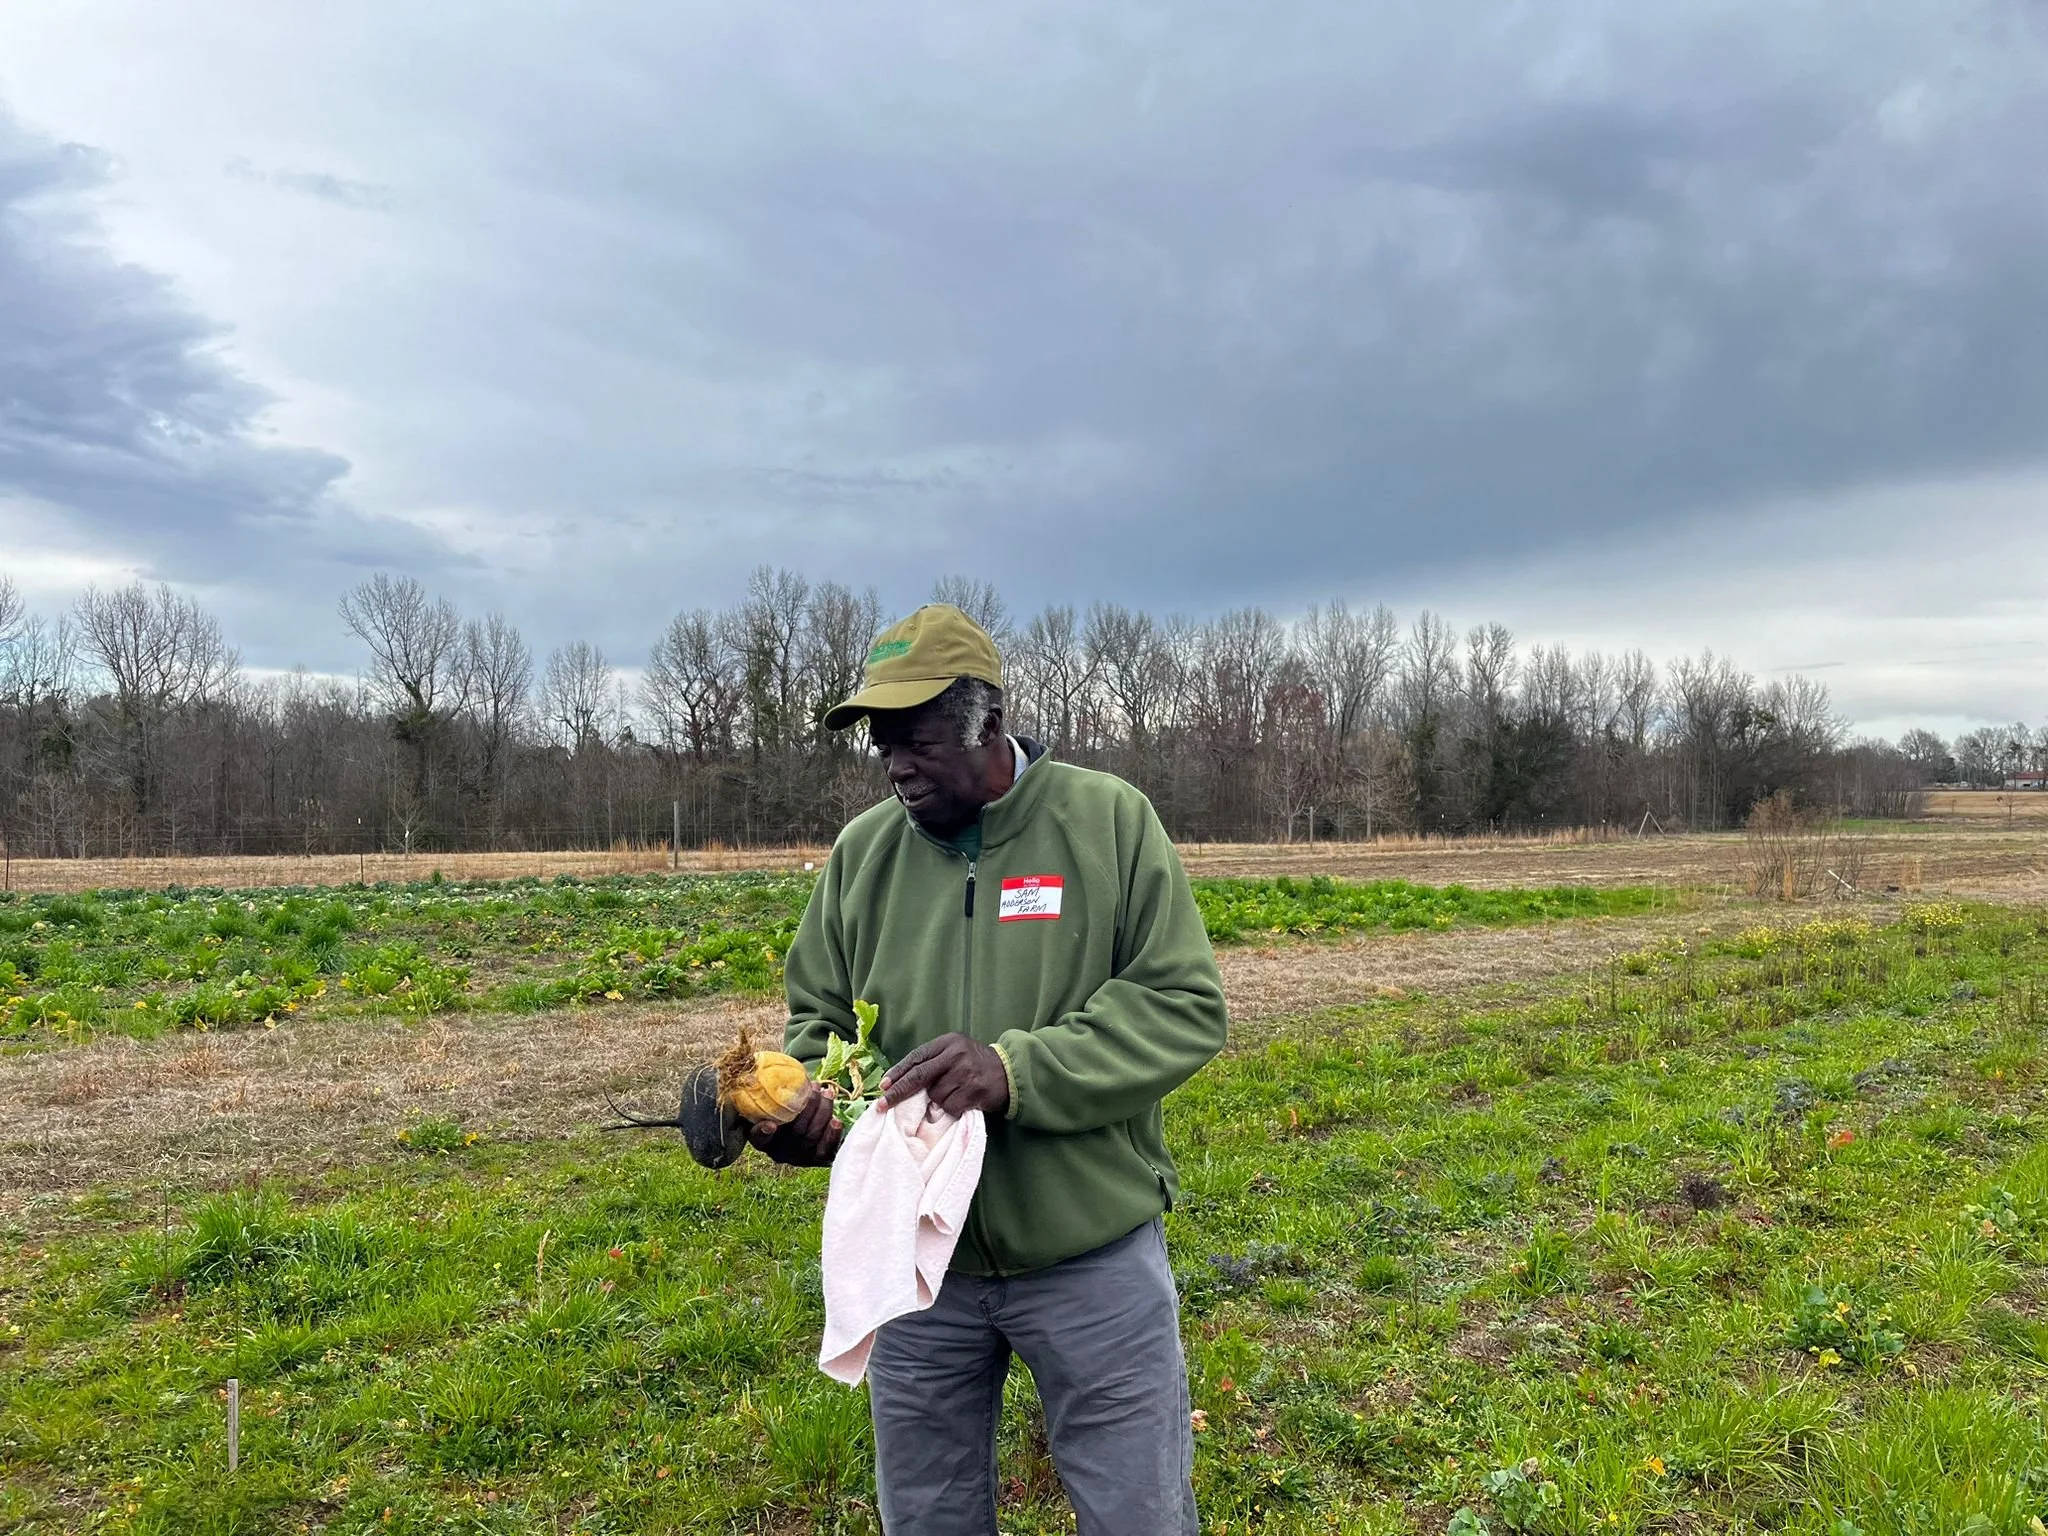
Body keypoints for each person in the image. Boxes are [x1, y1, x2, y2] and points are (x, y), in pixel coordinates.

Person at [749, 602, 1228, 1535]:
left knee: (1139, 1514)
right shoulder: (864, 856)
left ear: (990, 725)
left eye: (920, 742)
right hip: (920, 1265)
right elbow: (819, 1019)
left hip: (1090, 1253)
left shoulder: (1107, 822)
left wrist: (1017, 1070)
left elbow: (1182, 1004)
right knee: (926, 1518)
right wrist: (812, 1104)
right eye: (884, 745)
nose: (897, 767)